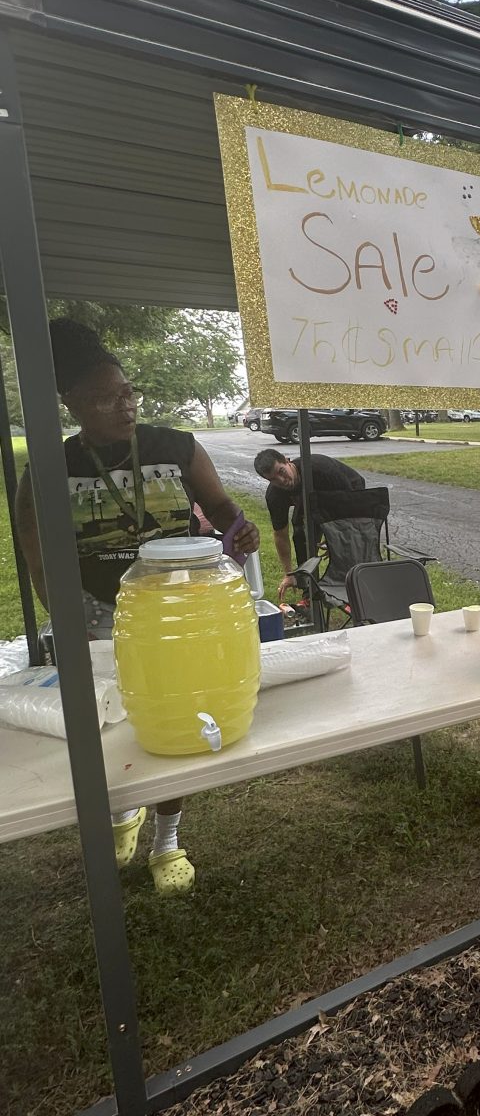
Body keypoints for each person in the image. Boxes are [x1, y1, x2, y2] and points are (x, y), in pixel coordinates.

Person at [15, 320, 259, 895]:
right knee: (118, 725)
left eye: (129, 393)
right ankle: (125, 811)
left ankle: (168, 837)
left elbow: (222, 506)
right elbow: (37, 557)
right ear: (70, 401)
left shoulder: (173, 445)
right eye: (106, 398)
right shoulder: (52, 465)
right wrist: (65, 620)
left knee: (178, 717)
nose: (125, 407)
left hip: (184, 607)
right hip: (97, 609)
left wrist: (239, 529)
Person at [253, 448, 365, 604]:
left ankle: (353, 590)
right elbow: (280, 535)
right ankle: (309, 592)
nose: (282, 480)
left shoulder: (322, 470)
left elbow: (349, 507)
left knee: (346, 544)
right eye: (273, 479)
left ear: (287, 461)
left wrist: (335, 537)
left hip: (348, 490)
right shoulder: (275, 494)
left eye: (281, 471)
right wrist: (289, 573)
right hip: (312, 498)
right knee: (301, 534)